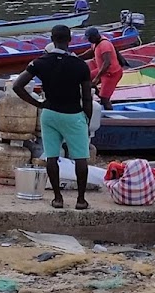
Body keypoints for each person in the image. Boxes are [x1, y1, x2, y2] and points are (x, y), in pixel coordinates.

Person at [11, 24, 93, 210]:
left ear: (52, 39)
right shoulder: (80, 65)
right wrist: (86, 118)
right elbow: (87, 96)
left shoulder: (40, 62)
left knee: (52, 157)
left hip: (50, 113)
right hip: (73, 114)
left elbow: (17, 86)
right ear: (70, 40)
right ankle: (80, 200)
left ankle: (58, 198)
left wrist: (38, 104)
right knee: (80, 158)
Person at [83, 26, 123, 110]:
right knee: (86, 79)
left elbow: (107, 63)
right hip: (103, 71)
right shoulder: (95, 43)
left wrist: (97, 78)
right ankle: (100, 95)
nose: (88, 40)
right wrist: (77, 57)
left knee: (105, 99)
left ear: (94, 36)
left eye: (89, 38)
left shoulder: (105, 45)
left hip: (112, 74)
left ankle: (109, 111)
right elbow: (90, 52)